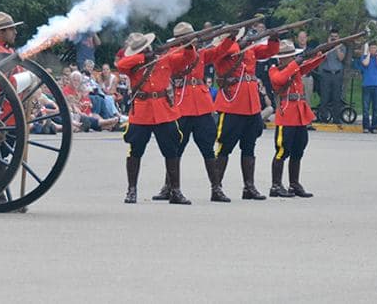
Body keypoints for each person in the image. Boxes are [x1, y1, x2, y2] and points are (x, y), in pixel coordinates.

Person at [116, 32, 197, 205]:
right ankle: (131, 190)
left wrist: (189, 45)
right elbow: (121, 65)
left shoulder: (164, 58)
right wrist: (143, 57)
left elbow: (188, 59)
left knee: (172, 151)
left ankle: (175, 191)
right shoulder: (135, 63)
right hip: (142, 112)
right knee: (135, 152)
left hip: (163, 110)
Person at [152, 22, 228, 203]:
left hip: (202, 106)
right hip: (181, 106)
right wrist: (188, 45)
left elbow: (219, 52)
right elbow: (185, 57)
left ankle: (216, 188)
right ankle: (170, 187)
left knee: (208, 149)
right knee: (175, 149)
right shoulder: (172, 54)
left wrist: (230, 37)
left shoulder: (198, 52)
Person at [209, 27, 281, 201]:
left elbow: (270, 51)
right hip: (232, 105)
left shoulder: (249, 49)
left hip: (251, 105)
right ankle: (216, 188)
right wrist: (239, 43)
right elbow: (227, 50)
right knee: (224, 147)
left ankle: (249, 187)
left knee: (249, 147)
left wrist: (273, 38)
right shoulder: (222, 50)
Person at [269, 40, 326, 198]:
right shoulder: (274, 70)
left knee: (298, 149)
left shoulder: (294, 68)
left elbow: (309, 65)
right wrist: (296, 63)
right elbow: (280, 80)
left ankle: (294, 184)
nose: (293, 58)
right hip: (286, 114)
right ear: (282, 58)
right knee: (282, 151)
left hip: (299, 114)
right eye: (290, 56)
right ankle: (275, 185)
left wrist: (321, 55)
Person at [316, 30, 346, 123]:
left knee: (336, 97)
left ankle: (336, 119)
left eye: (335, 36)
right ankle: (324, 118)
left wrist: (336, 47)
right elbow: (320, 57)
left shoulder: (342, 46)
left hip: (337, 74)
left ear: (338, 37)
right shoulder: (324, 46)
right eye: (332, 36)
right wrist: (328, 45)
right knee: (324, 97)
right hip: (326, 74)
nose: (334, 38)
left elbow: (341, 58)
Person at [357, 42, 377, 133]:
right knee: (366, 107)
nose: (373, 50)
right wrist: (368, 54)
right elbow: (365, 64)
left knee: (376, 108)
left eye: (375, 48)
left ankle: (374, 126)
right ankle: (366, 126)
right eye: (371, 48)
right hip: (366, 85)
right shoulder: (364, 58)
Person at [295, 31, 315, 107]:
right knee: (297, 99)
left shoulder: (311, 50)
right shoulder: (294, 51)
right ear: (297, 39)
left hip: (307, 77)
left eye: (304, 37)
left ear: (307, 38)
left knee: (307, 100)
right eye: (300, 37)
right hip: (296, 78)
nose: (302, 39)